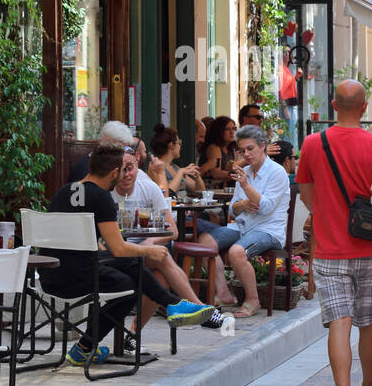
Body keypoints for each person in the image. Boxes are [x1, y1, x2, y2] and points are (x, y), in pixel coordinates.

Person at [39, 146, 216, 367]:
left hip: (49, 276)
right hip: (77, 279)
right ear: (115, 173)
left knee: (128, 267)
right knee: (130, 285)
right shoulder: (101, 198)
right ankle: (85, 348)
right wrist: (148, 250)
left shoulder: (63, 192)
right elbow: (119, 249)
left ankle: (173, 305)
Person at [296, 80, 372, 386]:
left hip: (329, 251)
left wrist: (325, 213)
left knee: (339, 324)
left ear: (334, 105)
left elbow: (307, 194)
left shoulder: (313, 143)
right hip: (369, 249)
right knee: (367, 321)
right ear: (365, 106)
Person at [110, 147, 223, 333]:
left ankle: (132, 335)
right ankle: (199, 308)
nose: (126, 173)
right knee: (161, 257)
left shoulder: (149, 188)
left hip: (143, 253)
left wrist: (150, 243)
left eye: (130, 167)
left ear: (137, 166)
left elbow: (172, 231)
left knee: (161, 279)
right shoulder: (107, 192)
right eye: (120, 168)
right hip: (116, 254)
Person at [196, 125, 290, 318]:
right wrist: (244, 204)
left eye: (250, 148)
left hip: (268, 230)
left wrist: (246, 187)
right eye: (242, 150)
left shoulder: (277, 172)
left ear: (263, 146)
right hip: (242, 226)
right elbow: (232, 208)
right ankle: (223, 293)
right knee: (205, 241)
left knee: (236, 252)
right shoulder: (245, 171)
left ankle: (253, 300)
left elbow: (265, 208)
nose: (246, 154)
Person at [69, 120, 144, 183]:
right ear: (108, 145)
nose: (124, 154)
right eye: (122, 149)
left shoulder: (108, 168)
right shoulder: (83, 170)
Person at [148, 125, 204, 196]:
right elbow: (166, 194)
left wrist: (197, 176)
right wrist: (181, 172)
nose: (180, 146)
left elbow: (200, 191)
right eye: (179, 143)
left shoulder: (175, 168)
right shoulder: (155, 167)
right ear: (171, 145)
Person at [198, 115, 237, 183]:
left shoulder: (231, 149)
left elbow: (235, 167)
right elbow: (216, 173)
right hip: (210, 188)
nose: (232, 132)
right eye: (227, 129)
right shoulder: (214, 147)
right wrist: (236, 175)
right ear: (219, 131)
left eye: (233, 128)